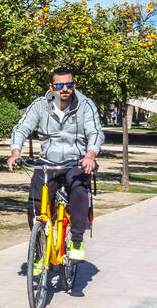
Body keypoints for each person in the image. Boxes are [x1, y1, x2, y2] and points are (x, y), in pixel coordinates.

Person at [6, 66, 103, 273]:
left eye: (69, 84)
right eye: (59, 85)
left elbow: (95, 132)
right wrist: (15, 152)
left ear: (74, 85)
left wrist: (90, 156)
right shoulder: (41, 105)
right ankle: (39, 251)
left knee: (78, 191)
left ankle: (76, 241)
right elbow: (22, 127)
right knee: (34, 205)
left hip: (76, 161)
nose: (64, 89)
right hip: (47, 161)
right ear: (51, 87)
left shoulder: (85, 105)